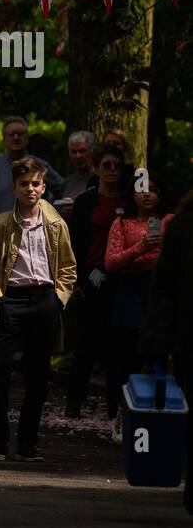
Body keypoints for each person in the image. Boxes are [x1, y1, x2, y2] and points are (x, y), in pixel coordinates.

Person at [0, 157, 76, 462]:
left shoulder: (56, 224)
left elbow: (68, 266)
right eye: (24, 184)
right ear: (14, 187)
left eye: (35, 183)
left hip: (44, 299)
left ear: (44, 186)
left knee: (38, 375)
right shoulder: (1, 224)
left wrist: (58, 298)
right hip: (11, 298)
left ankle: (29, 443)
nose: (30, 189)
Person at [102, 175, 172, 439]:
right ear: (132, 196)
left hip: (161, 292)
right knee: (128, 358)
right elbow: (111, 262)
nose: (147, 194)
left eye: (153, 189)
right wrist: (142, 247)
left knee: (158, 357)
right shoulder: (122, 223)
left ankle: (160, 416)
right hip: (130, 292)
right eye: (141, 189)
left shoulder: (170, 222)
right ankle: (123, 413)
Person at [65, 145, 128, 419]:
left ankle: (115, 406)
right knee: (86, 343)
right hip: (91, 276)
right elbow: (75, 241)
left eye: (116, 164)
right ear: (98, 168)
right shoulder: (87, 201)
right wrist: (76, 279)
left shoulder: (130, 200)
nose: (112, 169)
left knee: (117, 344)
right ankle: (74, 403)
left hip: (123, 278)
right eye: (106, 164)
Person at [141, 190, 193, 516]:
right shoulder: (184, 227)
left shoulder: (183, 226)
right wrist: (158, 339)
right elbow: (165, 288)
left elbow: (164, 289)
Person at [0, 116, 64, 219]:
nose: (16, 138)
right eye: (11, 135)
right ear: (4, 138)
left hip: (34, 231)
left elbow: (63, 188)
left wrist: (55, 211)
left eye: (20, 134)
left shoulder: (40, 165)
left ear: (27, 137)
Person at [61, 130, 96, 206]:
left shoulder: (101, 180)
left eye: (82, 151)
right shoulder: (66, 183)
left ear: (92, 151)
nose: (78, 156)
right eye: (73, 152)